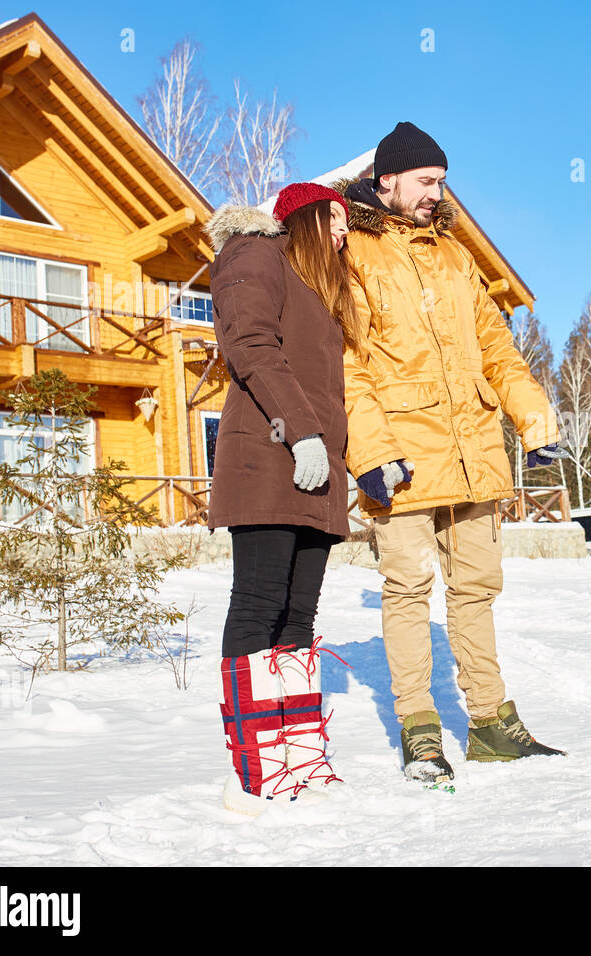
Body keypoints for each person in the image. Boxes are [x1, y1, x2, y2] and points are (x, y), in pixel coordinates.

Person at [337, 122, 564, 787]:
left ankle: (491, 723)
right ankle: (420, 732)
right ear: (389, 181)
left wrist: (534, 420)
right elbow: (348, 364)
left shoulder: (456, 258)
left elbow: (498, 350)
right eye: (427, 181)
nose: (438, 192)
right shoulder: (355, 253)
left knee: (477, 589)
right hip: (400, 455)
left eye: (442, 181)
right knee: (407, 589)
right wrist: (371, 450)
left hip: (472, 450)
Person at [205, 182, 361, 815]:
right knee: (259, 606)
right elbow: (249, 344)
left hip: (318, 469)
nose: (344, 234)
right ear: (305, 217)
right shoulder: (255, 252)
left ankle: (299, 753)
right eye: (337, 220)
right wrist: (302, 435)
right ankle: (255, 764)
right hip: (271, 459)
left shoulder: (318, 294)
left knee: (299, 616)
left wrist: (337, 457)